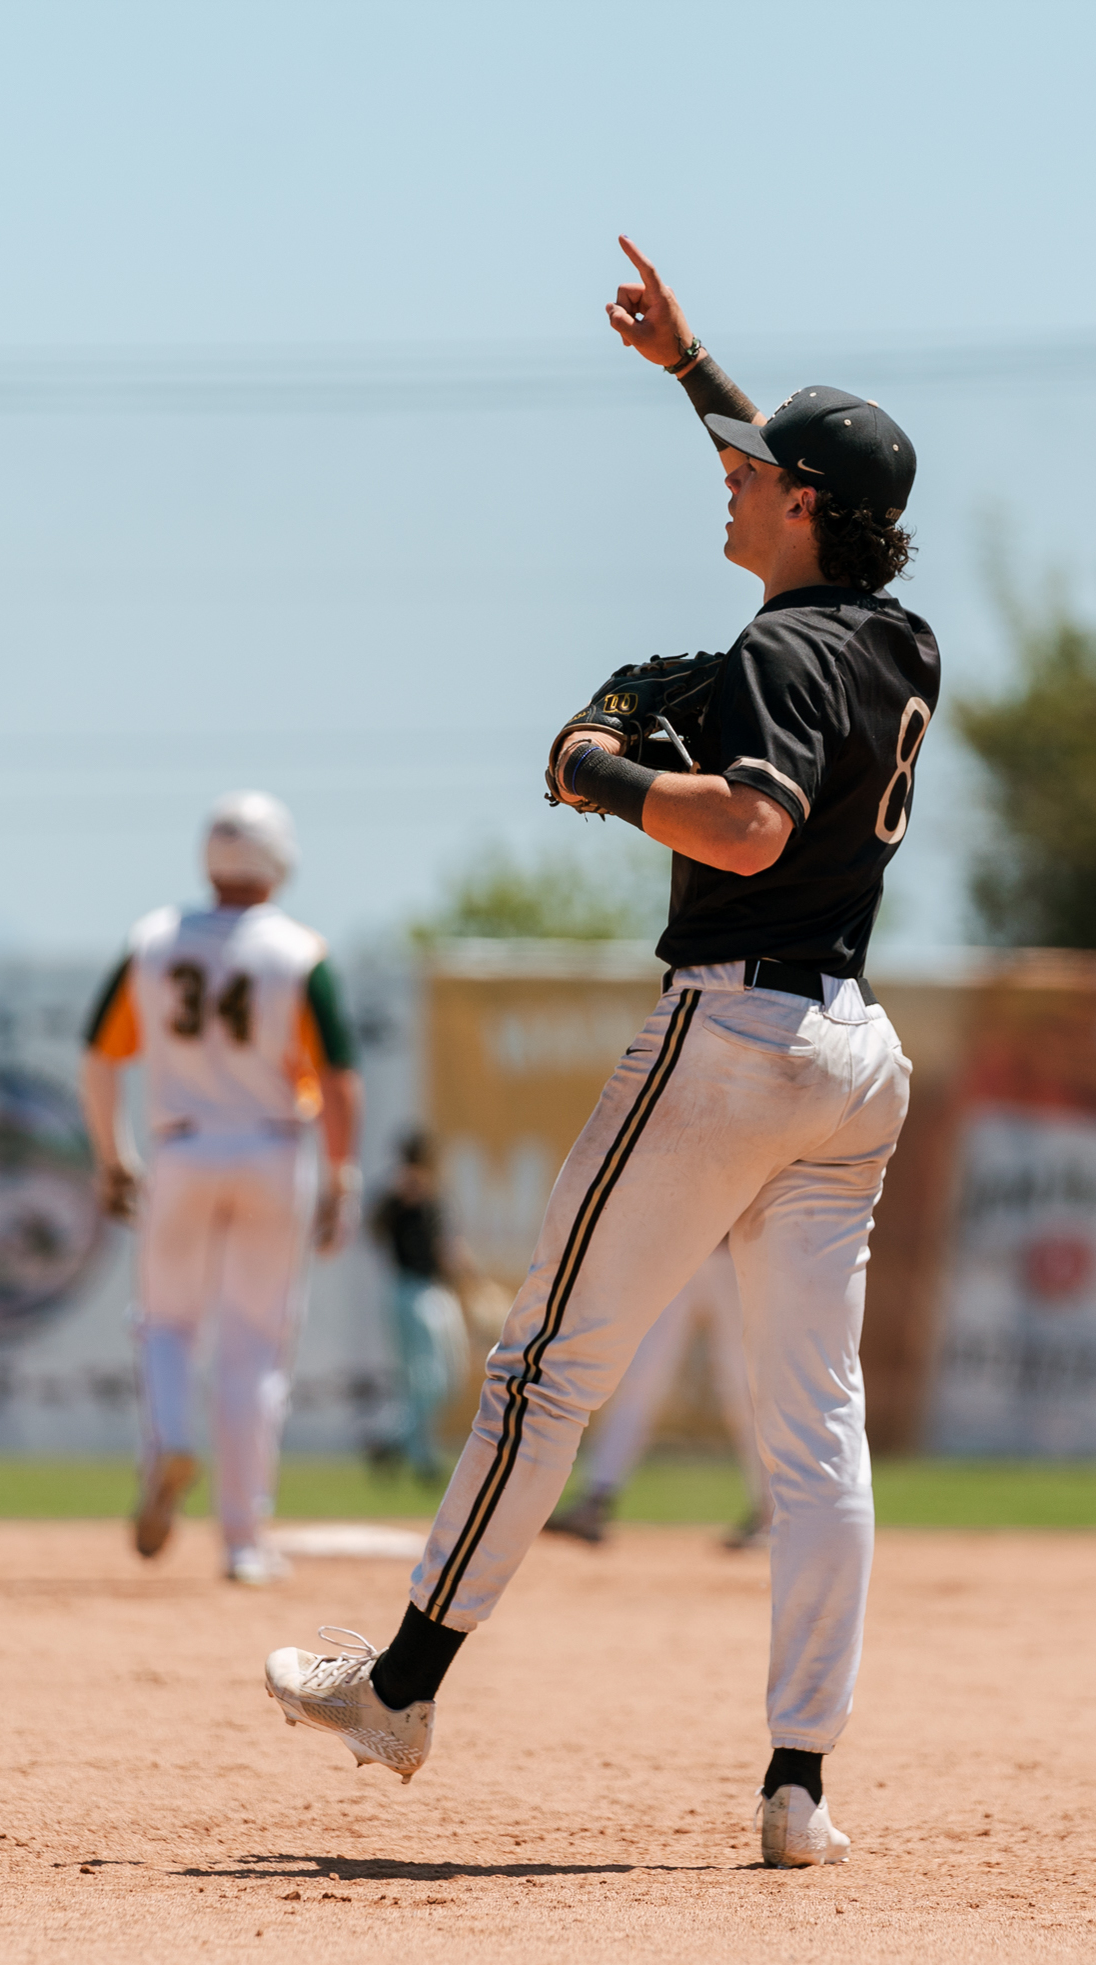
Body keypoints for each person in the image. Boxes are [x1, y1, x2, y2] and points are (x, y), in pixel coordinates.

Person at [265, 237, 938, 1868]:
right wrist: (692, 371)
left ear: (805, 510)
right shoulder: (897, 644)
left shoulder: (776, 657)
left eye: (758, 473)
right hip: (853, 1054)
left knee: (541, 1369)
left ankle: (405, 1686)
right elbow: (787, 548)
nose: (734, 483)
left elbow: (753, 826)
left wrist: (595, 774)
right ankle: (799, 1783)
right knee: (812, 1426)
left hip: (733, 1034)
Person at [79, 790, 363, 1584]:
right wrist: (344, 1175)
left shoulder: (153, 941)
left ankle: (170, 1438)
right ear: (279, 860)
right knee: (254, 1347)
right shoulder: (300, 952)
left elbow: (97, 1057)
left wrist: (112, 1155)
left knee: (166, 1323)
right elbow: (340, 1081)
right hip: (275, 1149)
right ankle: (242, 1542)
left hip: (179, 1148)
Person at [544, 1241, 769, 1549]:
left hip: (735, 1253)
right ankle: (595, 1498)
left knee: (745, 1385)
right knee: (641, 1375)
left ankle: (771, 1511)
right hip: (679, 1247)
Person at [366, 1131, 470, 1484]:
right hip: (412, 1290)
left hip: (430, 1291)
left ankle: (398, 1443)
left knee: (440, 1380)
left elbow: (447, 1250)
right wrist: (400, 1198)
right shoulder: (402, 1195)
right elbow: (376, 1230)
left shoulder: (430, 1196)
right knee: (429, 1380)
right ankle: (413, 1452)